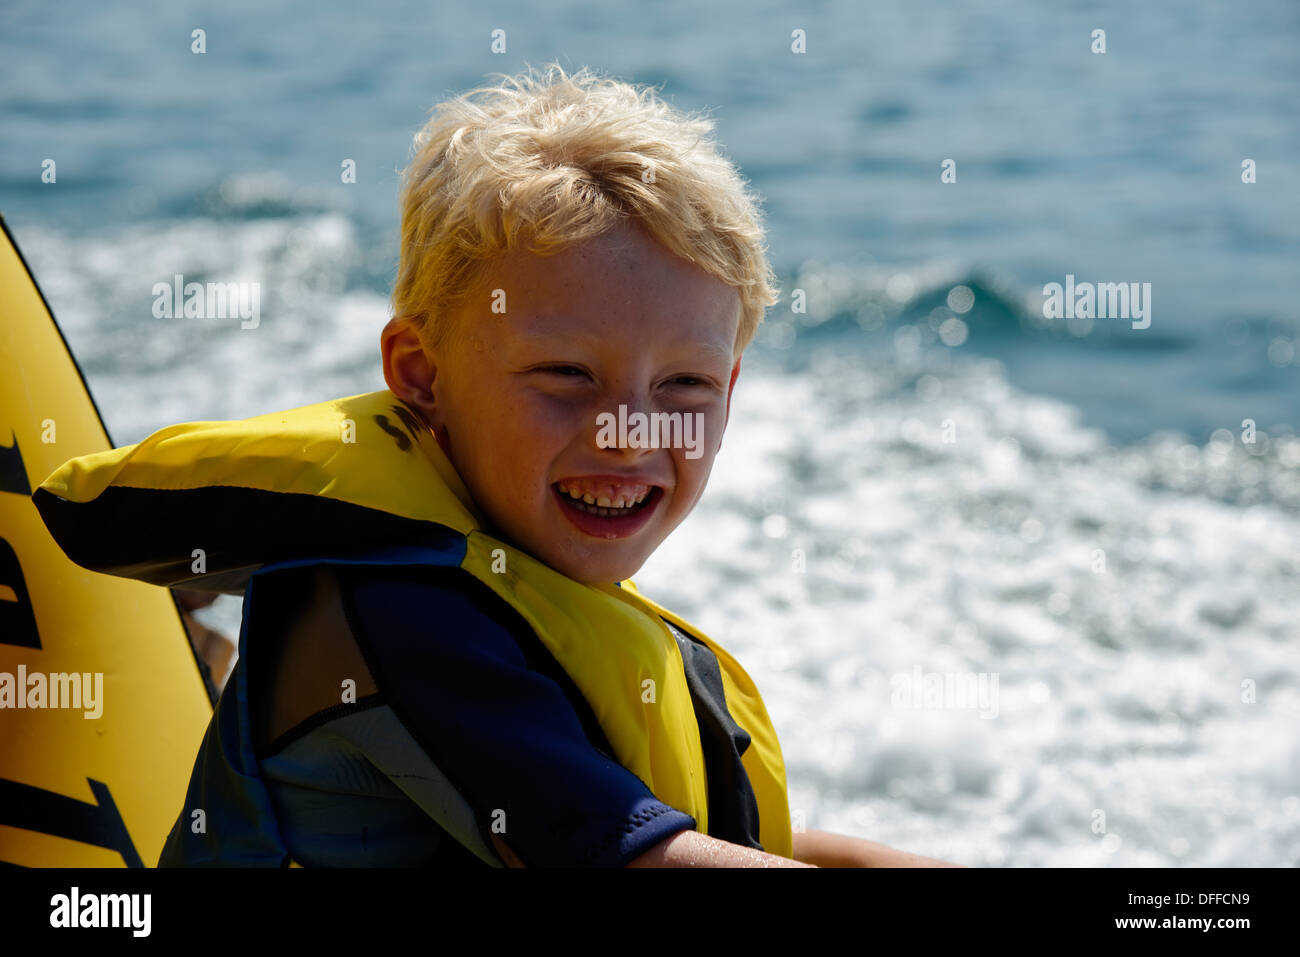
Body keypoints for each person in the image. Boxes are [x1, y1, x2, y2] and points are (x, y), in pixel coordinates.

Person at [37, 63, 959, 867]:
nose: (627, 433)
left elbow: (701, 829)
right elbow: (624, 853)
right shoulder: (399, 611)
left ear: (733, 386)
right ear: (420, 374)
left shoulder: (524, 585)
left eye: (685, 383)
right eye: (567, 375)